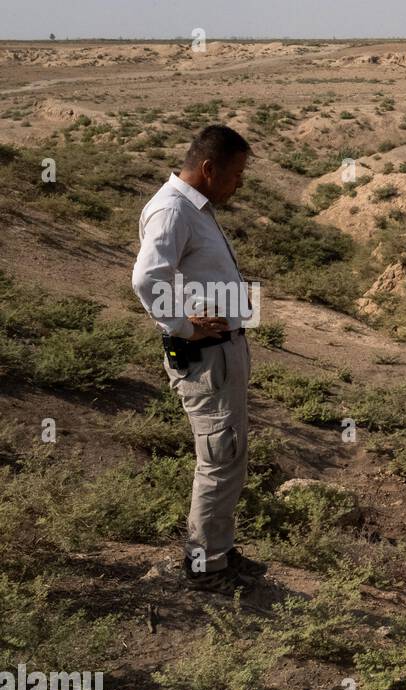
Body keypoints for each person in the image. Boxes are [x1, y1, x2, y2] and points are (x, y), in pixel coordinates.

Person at [131, 124, 265, 594]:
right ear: (208, 168)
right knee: (219, 456)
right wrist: (183, 325)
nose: (239, 184)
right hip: (205, 356)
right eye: (236, 174)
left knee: (227, 454)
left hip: (221, 352)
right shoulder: (172, 210)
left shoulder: (192, 208)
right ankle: (206, 565)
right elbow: (147, 279)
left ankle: (217, 548)